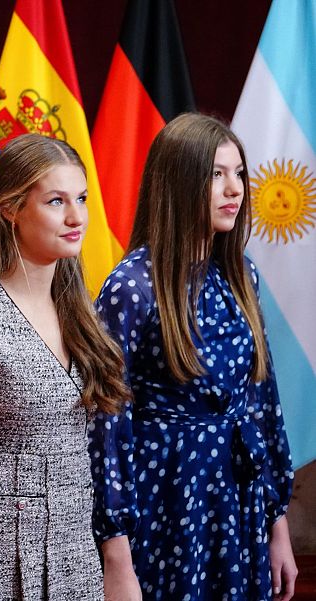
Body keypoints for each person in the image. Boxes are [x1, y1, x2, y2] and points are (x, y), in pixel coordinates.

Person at [91, 113, 297, 601]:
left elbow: (261, 403)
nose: (235, 189)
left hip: (238, 498)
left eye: (239, 173)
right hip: (165, 499)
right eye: (216, 174)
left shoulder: (241, 274)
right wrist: (115, 556)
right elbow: (105, 424)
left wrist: (277, 522)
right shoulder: (131, 287)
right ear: (179, 182)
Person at [0, 134, 130, 600]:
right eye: (57, 201)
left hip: (74, 554)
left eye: (81, 199)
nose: (77, 218)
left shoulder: (80, 312)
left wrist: (116, 561)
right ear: (10, 208)